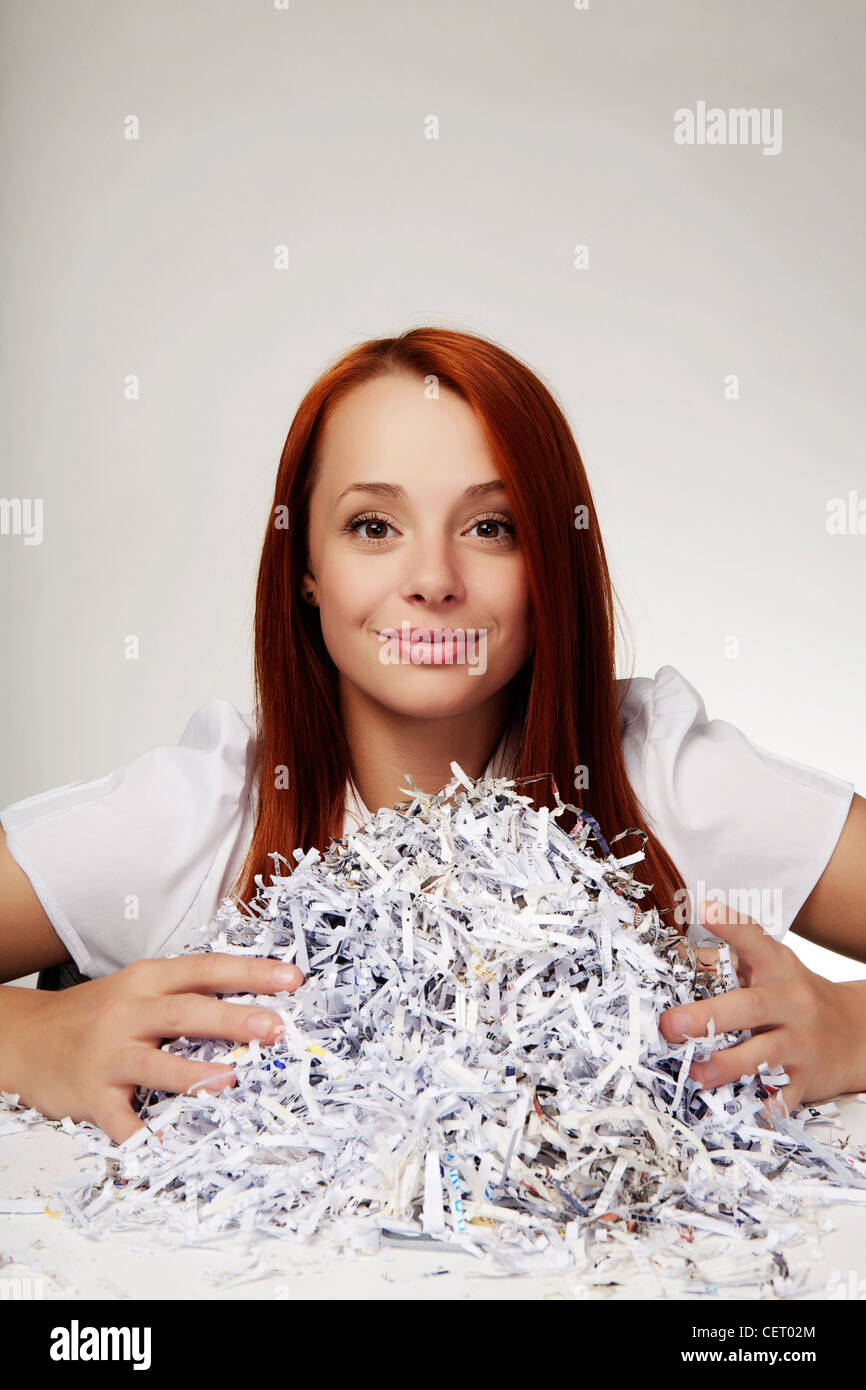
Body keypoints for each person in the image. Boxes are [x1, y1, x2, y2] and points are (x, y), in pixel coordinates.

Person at [1, 327, 864, 1146]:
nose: (432, 581)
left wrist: (849, 1029)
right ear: (305, 567)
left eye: (491, 527)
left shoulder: (660, 781)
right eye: (373, 526)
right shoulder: (198, 815)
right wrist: (37, 1035)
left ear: (551, 564)